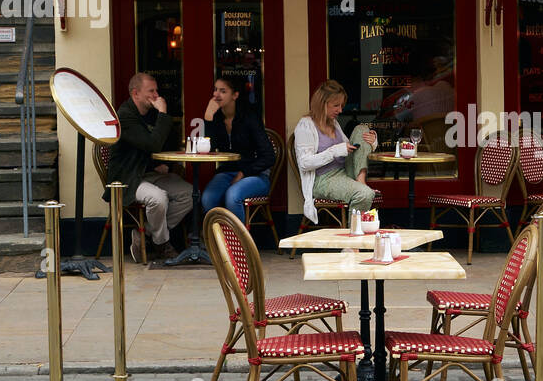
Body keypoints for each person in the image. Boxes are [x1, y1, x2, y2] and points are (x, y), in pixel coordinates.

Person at [106, 72, 193, 263]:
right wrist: (163, 113)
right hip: (128, 178)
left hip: (148, 172)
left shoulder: (150, 114)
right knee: (158, 199)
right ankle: (162, 244)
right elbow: (152, 145)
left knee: (189, 193)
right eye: (151, 91)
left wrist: (163, 164)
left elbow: (165, 141)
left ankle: (144, 234)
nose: (156, 95)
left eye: (156, 90)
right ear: (135, 93)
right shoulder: (126, 116)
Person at [293, 80, 378, 224]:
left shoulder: (334, 123)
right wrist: (334, 151)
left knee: (361, 129)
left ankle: (360, 179)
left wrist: (372, 141)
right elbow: (304, 163)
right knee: (365, 194)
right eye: (336, 106)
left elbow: (351, 148)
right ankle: (353, 245)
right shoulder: (305, 125)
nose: (340, 110)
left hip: (345, 172)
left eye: (341, 106)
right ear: (322, 103)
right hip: (323, 179)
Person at [200, 74, 276, 223]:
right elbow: (208, 149)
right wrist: (208, 117)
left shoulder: (249, 117)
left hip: (255, 175)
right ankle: (219, 241)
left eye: (223, 91)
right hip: (227, 172)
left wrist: (243, 173)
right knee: (208, 198)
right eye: (215, 90)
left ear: (235, 95)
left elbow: (269, 156)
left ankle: (238, 244)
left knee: (232, 196)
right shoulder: (216, 118)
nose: (216, 94)